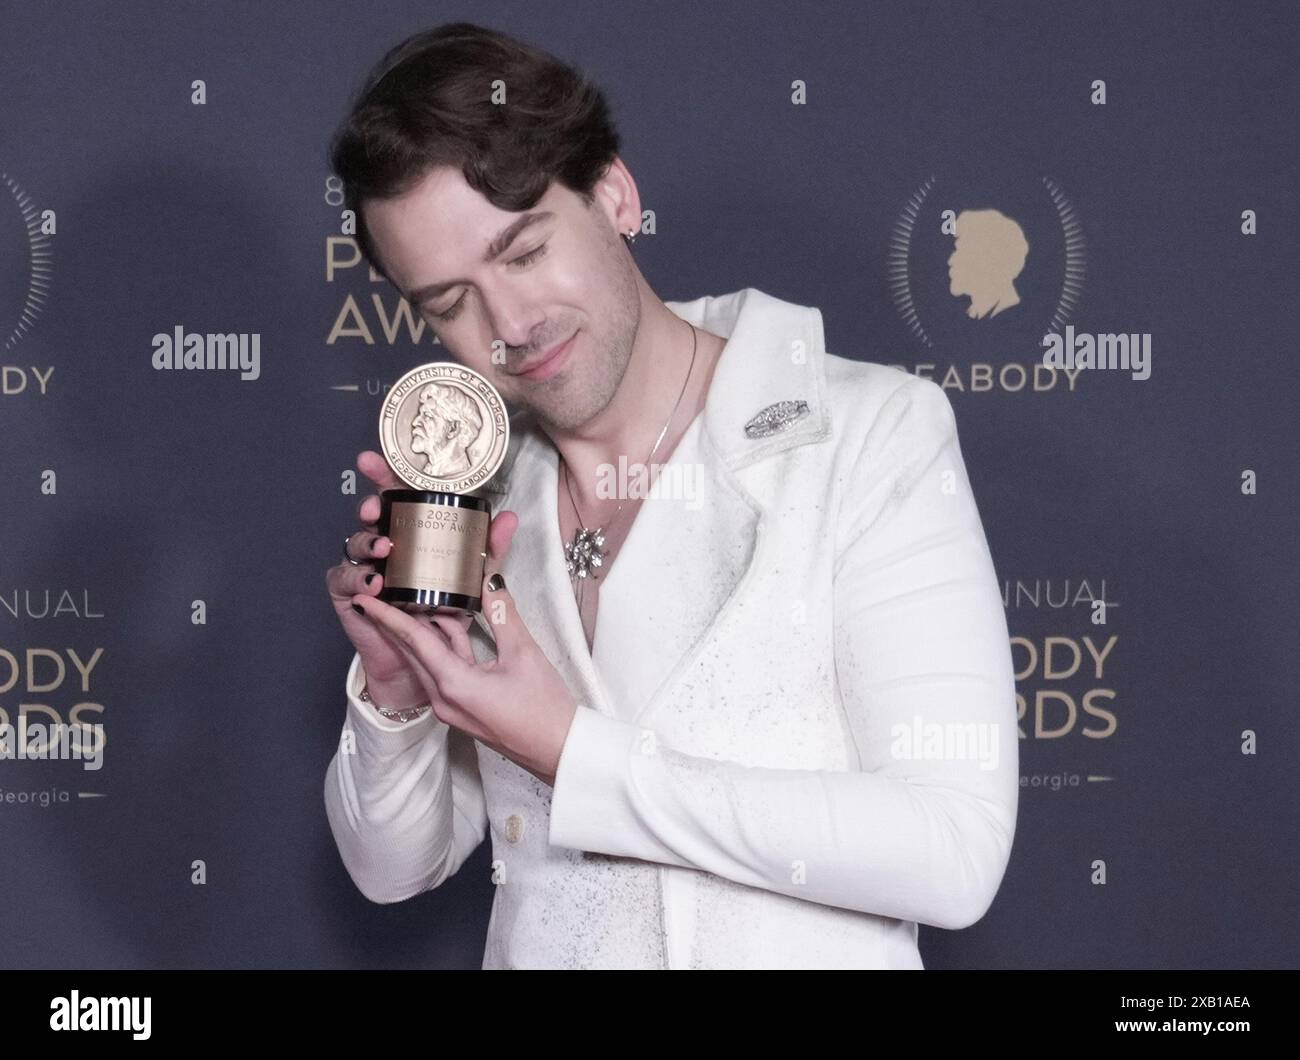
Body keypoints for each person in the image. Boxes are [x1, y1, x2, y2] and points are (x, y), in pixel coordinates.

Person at [323, 21, 1018, 969]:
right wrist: (397, 692)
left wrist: (577, 754)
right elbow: (394, 869)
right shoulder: (471, 500)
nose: (511, 324)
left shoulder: (866, 435)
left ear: (613, 193)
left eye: (524, 253)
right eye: (450, 302)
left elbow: (953, 852)